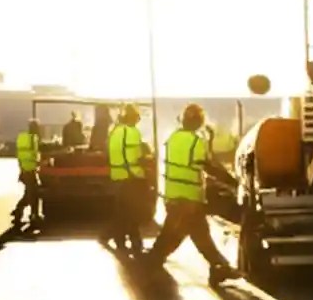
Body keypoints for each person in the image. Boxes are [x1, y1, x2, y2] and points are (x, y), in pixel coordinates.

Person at [142, 103, 242, 285]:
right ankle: (151, 261)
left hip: (173, 195)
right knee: (176, 235)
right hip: (189, 197)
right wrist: (234, 182)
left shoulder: (172, 138)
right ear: (198, 122)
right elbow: (208, 167)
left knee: (195, 233)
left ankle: (219, 267)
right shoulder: (196, 142)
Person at [102, 104, 150, 257]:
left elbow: (109, 154)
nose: (138, 120)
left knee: (123, 211)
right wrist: (145, 162)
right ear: (132, 118)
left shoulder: (115, 131)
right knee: (132, 212)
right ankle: (134, 243)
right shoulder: (132, 132)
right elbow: (136, 157)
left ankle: (118, 240)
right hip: (131, 176)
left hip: (117, 176)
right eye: (137, 118)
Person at [11, 119, 43, 227]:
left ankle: (29, 213)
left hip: (24, 169)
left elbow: (20, 154)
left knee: (30, 193)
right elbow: (35, 155)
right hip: (30, 170)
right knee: (32, 194)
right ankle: (24, 213)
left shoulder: (22, 138)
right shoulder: (33, 139)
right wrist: (41, 163)